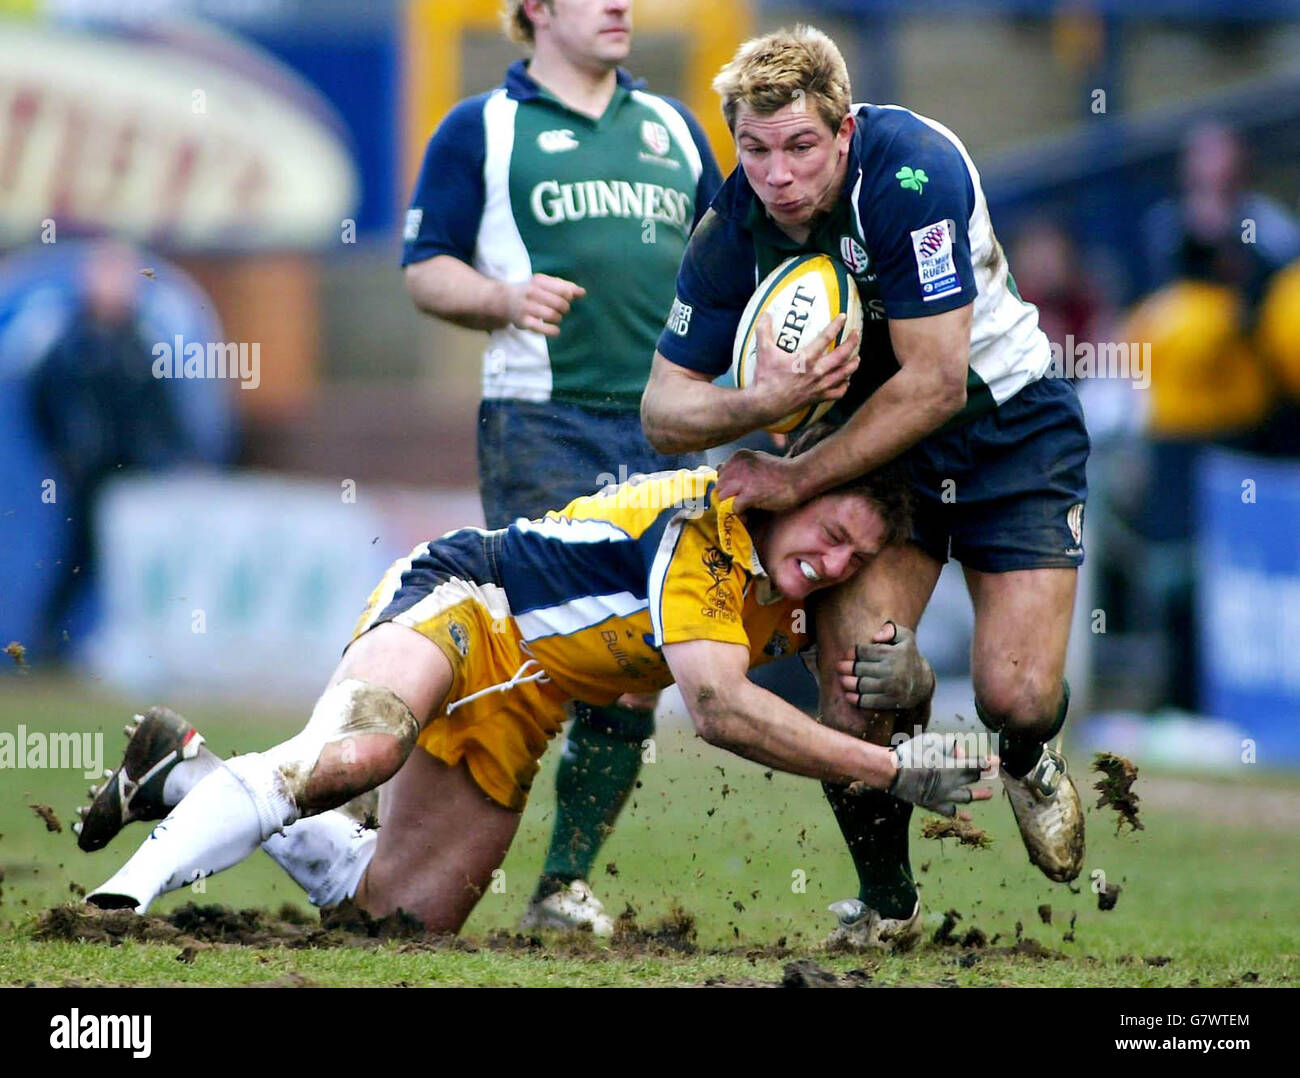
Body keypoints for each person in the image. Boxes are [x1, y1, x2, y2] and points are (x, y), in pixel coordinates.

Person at [78, 445, 994, 931]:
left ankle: (181, 771)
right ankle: (122, 898)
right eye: (831, 531)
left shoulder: (805, 588)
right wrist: (894, 770)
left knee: (393, 919)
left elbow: (866, 687)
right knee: (358, 753)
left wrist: (916, 675)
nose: (832, 563)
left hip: (528, 698)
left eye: (855, 557)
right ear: (787, 489)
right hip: (470, 602)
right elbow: (716, 710)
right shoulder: (707, 527)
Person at [640, 25, 1090, 949]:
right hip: (880, 460)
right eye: (755, 149)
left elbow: (934, 381)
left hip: (1006, 423)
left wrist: (794, 468)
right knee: (858, 687)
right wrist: (763, 399)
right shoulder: (734, 222)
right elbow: (660, 411)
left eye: (801, 146)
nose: (778, 174)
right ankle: (889, 905)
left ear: (843, 133)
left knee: (1017, 695)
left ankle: (1027, 755)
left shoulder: (911, 170)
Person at [400, 0, 722, 933]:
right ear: (535, 9)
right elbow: (424, 267)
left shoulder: (674, 127)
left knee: (636, 658)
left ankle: (560, 882)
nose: (621, 5)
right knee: (540, 654)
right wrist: (501, 296)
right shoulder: (481, 129)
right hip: (541, 423)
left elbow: (733, 264)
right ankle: (403, 833)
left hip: (667, 429)